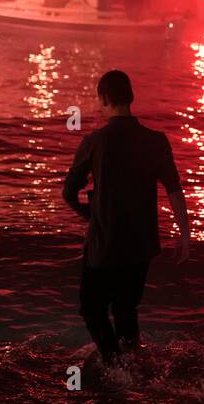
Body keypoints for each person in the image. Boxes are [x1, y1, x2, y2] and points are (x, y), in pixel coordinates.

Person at [62, 70, 191, 365]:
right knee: (126, 307)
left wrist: (90, 214)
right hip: (141, 244)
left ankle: (115, 364)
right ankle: (133, 363)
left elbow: (69, 193)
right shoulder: (155, 141)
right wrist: (185, 235)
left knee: (92, 308)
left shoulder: (95, 142)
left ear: (104, 99)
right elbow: (174, 190)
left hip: (104, 242)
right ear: (131, 97)